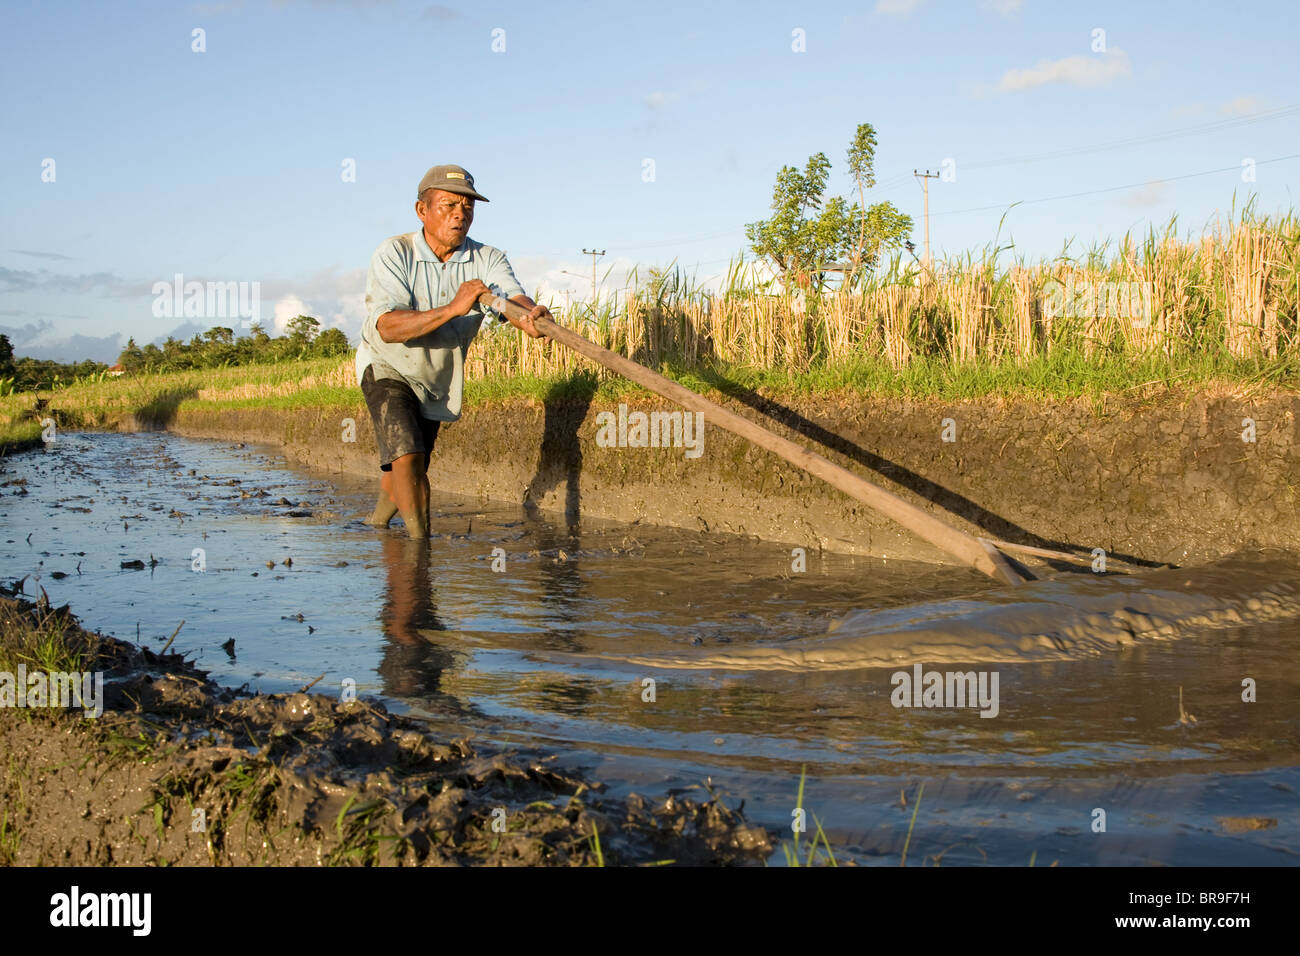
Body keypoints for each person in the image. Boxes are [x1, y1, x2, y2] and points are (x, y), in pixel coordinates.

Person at [356, 164, 549, 537]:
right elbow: (388, 326)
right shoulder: (394, 252)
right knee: (408, 455)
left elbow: (512, 298)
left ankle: (376, 523)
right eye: (448, 205)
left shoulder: (487, 258)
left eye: (468, 207)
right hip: (387, 365)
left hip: (435, 376)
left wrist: (531, 316)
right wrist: (453, 308)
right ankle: (418, 554)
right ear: (421, 210)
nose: (460, 214)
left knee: (412, 466)